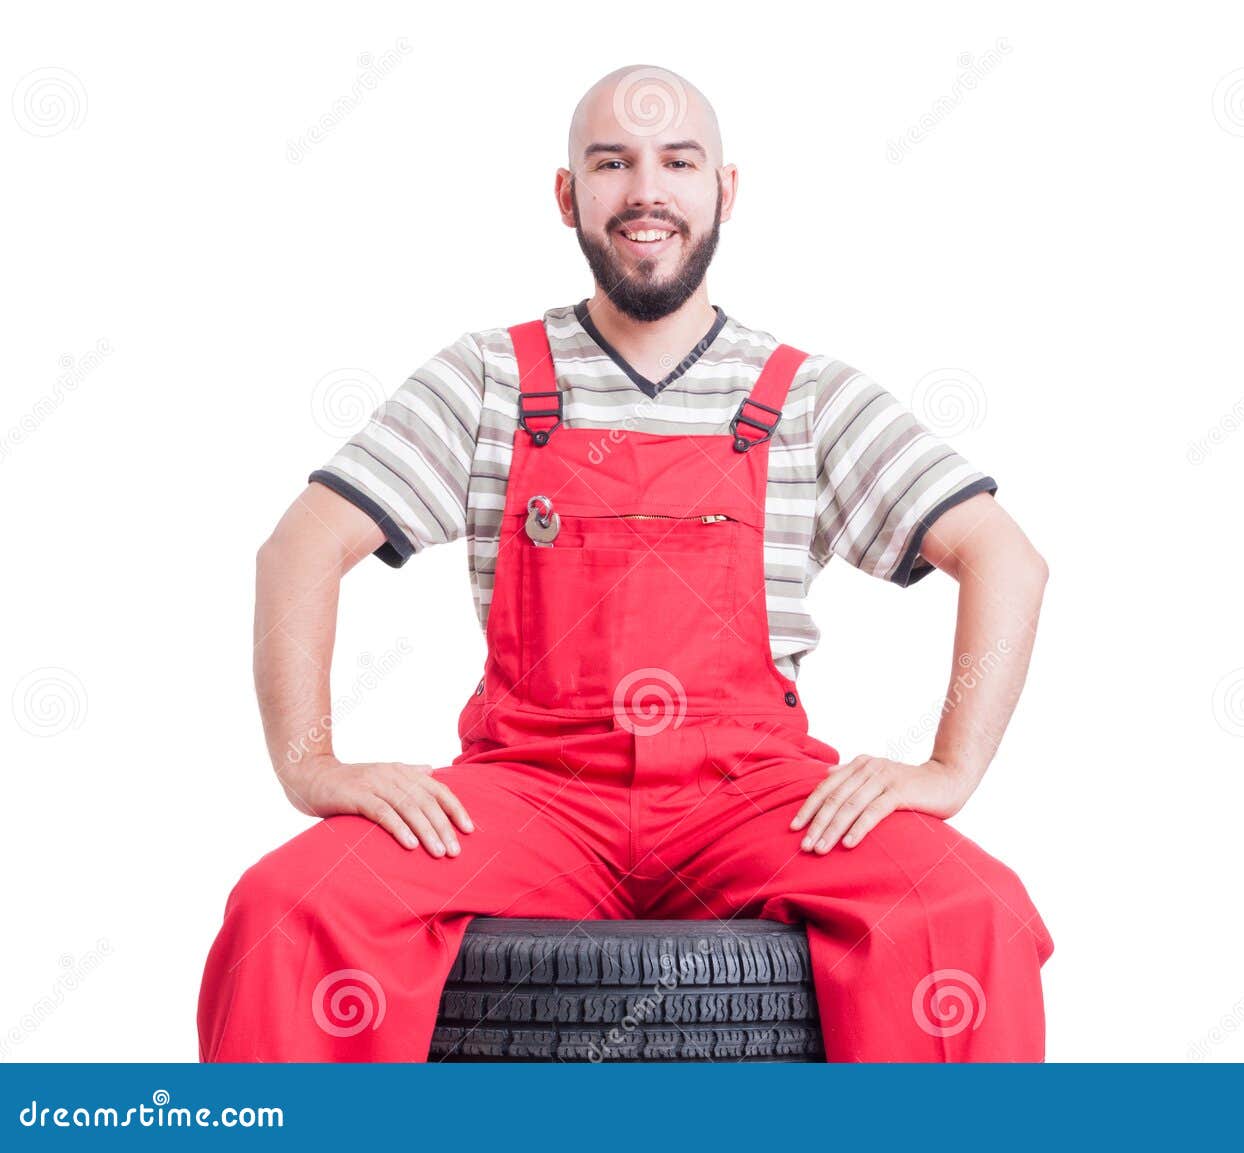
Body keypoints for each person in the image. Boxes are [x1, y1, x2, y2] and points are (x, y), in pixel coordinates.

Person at [197, 64, 1054, 1062]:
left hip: (752, 795)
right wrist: (310, 763)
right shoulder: (492, 379)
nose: (646, 188)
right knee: (285, 910)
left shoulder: (806, 398)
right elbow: (299, 546)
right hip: (532, 793)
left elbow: (1004, 556)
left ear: (723, 191)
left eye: (677, 162)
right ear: (568, 196)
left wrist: (950, 767)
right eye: (612, 163)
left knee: (968, 909)